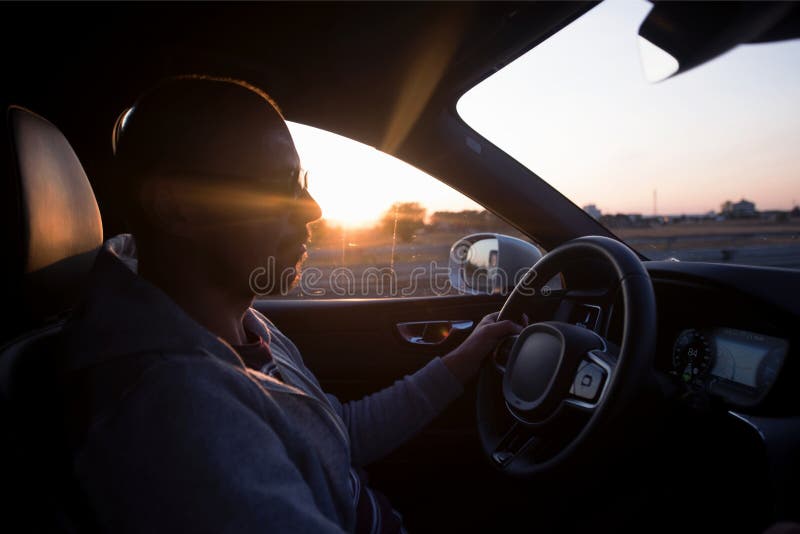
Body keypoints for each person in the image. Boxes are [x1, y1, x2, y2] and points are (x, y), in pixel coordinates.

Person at [61, 75, 524, 533]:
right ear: (177, 205)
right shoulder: (177, 416)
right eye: (283, 184)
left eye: (301, 181)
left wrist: (467, 355)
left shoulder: (243, 323)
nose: (312, 208)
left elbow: (336, 438)